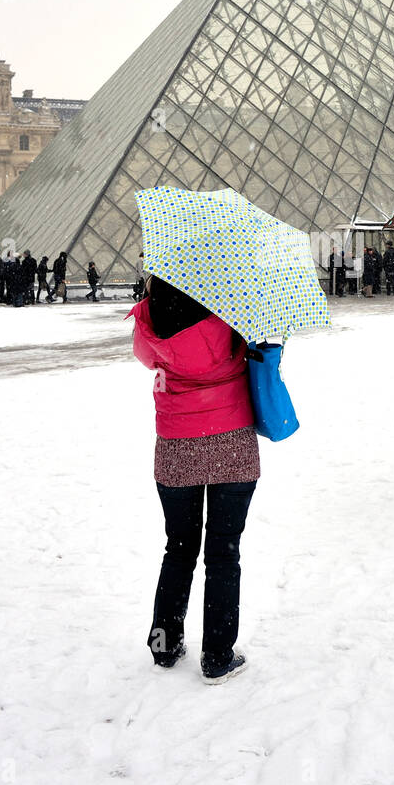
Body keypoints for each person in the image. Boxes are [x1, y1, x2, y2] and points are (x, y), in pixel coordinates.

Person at [128, 276, 259, 683]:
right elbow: (256, 355)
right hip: (231, 439)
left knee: (179, 549)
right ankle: (218, 656)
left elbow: (146, 358)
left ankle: (165, 644)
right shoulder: (233, 305)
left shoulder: (151, 312)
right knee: (224, 552)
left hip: (176, 444)